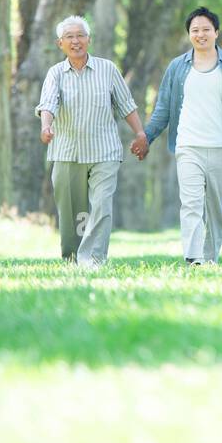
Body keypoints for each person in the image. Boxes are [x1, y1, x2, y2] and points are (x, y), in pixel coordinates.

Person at [134, 7, 222, 265]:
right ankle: (194, 258)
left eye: (206, 30)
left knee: (216, 210)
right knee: (190, 204)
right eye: (195, 30)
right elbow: (163, 108)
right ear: (189, 34)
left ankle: (210, 258)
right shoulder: (178, 68)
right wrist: (146, 136)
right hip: (188, 146)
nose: (200, 34)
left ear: (216, 33)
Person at [36, 16, 147, 267]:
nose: (76, 41)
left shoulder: (108, 69)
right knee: (71, 212)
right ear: (60, 43)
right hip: (66, 152)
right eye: (70, 37)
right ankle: (72, 258)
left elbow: (126, 105)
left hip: (104, 151)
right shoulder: (55, 74)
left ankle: (93, 259)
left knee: (101, 205)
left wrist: (140, 134)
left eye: (80, 35)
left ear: (89, 39)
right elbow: (48, 104)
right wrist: (46, 126)